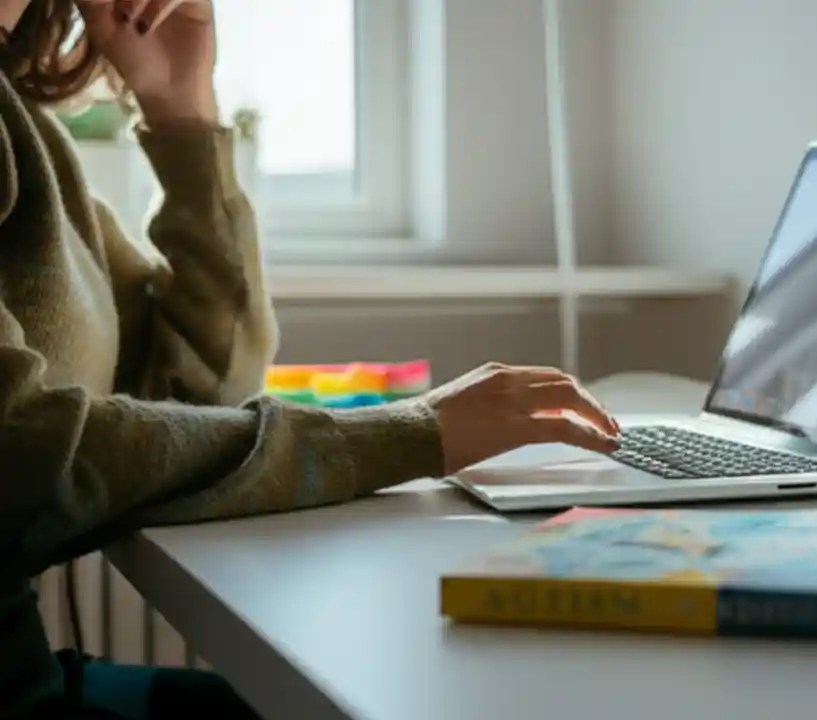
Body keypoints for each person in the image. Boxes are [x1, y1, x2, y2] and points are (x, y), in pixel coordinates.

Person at [0, 1, 622, 717]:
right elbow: (22, 458)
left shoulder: (26, 126)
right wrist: (408, 433)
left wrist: (181, 106)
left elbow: (199, 385)